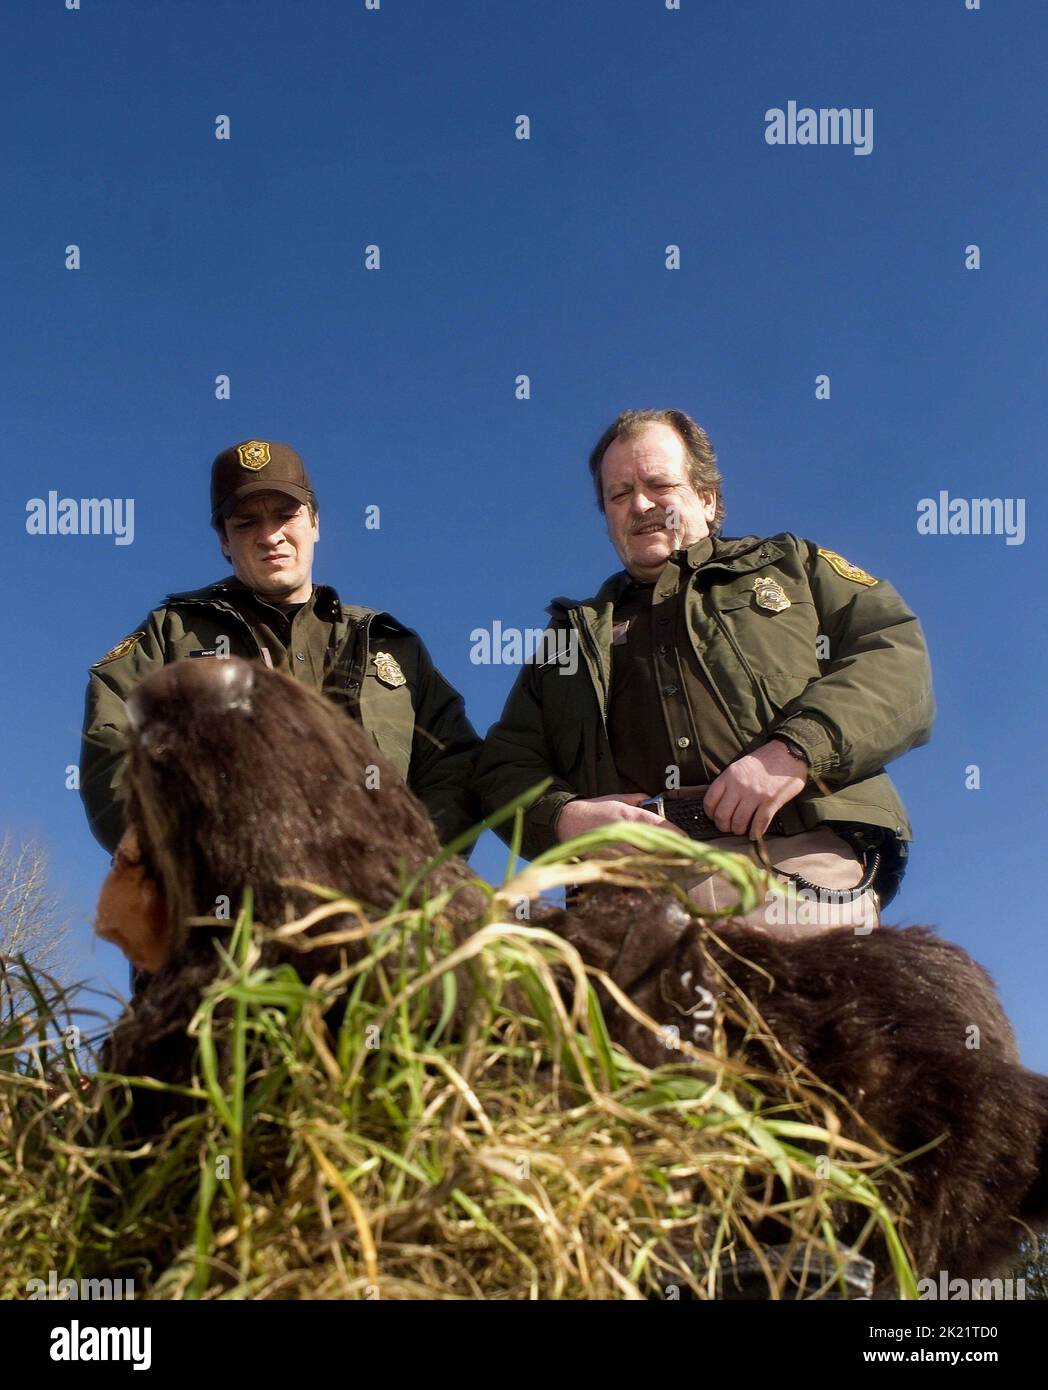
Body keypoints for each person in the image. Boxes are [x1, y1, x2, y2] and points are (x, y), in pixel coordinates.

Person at [473, 409, 936, 933]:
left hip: (793, 864)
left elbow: (894, 656)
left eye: (658, 484)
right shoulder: (569, 637)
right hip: (626, 896)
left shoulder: (795, 568)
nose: (641, 504)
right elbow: (503, 766)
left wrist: (795, 751)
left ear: (707, 498)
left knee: (802, 1014)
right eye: (619, 494)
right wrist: (564, 818)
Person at [80, 438, 482, 862]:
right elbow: (111, 748)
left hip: (379, 908)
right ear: (223, 540)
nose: (270, 536)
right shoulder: (170, 636)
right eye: (246, 522)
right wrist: (197, 855)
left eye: (286, 515)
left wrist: (415, 864)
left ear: (315, 522)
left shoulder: (390, 644)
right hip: (223, 908)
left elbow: (455, 765)